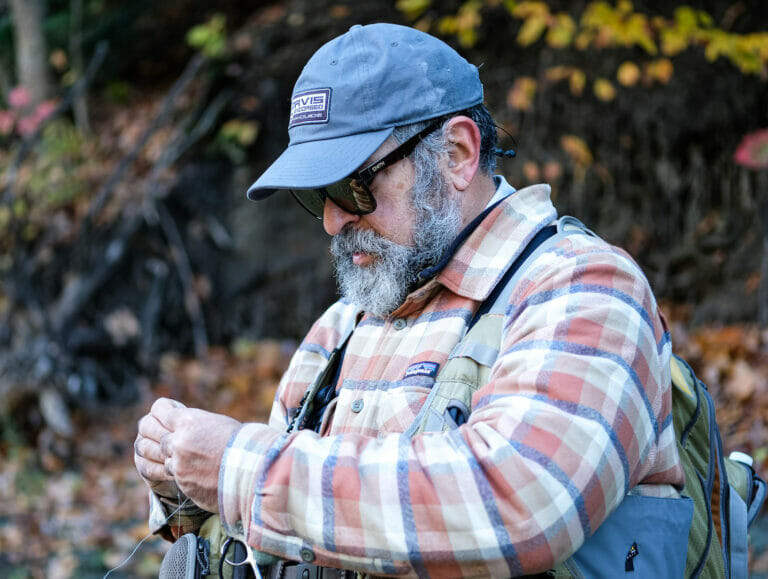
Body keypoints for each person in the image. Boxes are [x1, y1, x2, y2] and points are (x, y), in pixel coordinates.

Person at [135, 23, 689, 578]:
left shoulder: (585, 288)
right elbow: (290, 528)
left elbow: (521, 503)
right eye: (314, 194)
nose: (332, 221)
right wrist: (185, 480)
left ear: (457, 153)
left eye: (353, 185)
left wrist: (238, 470)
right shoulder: (339, 329)